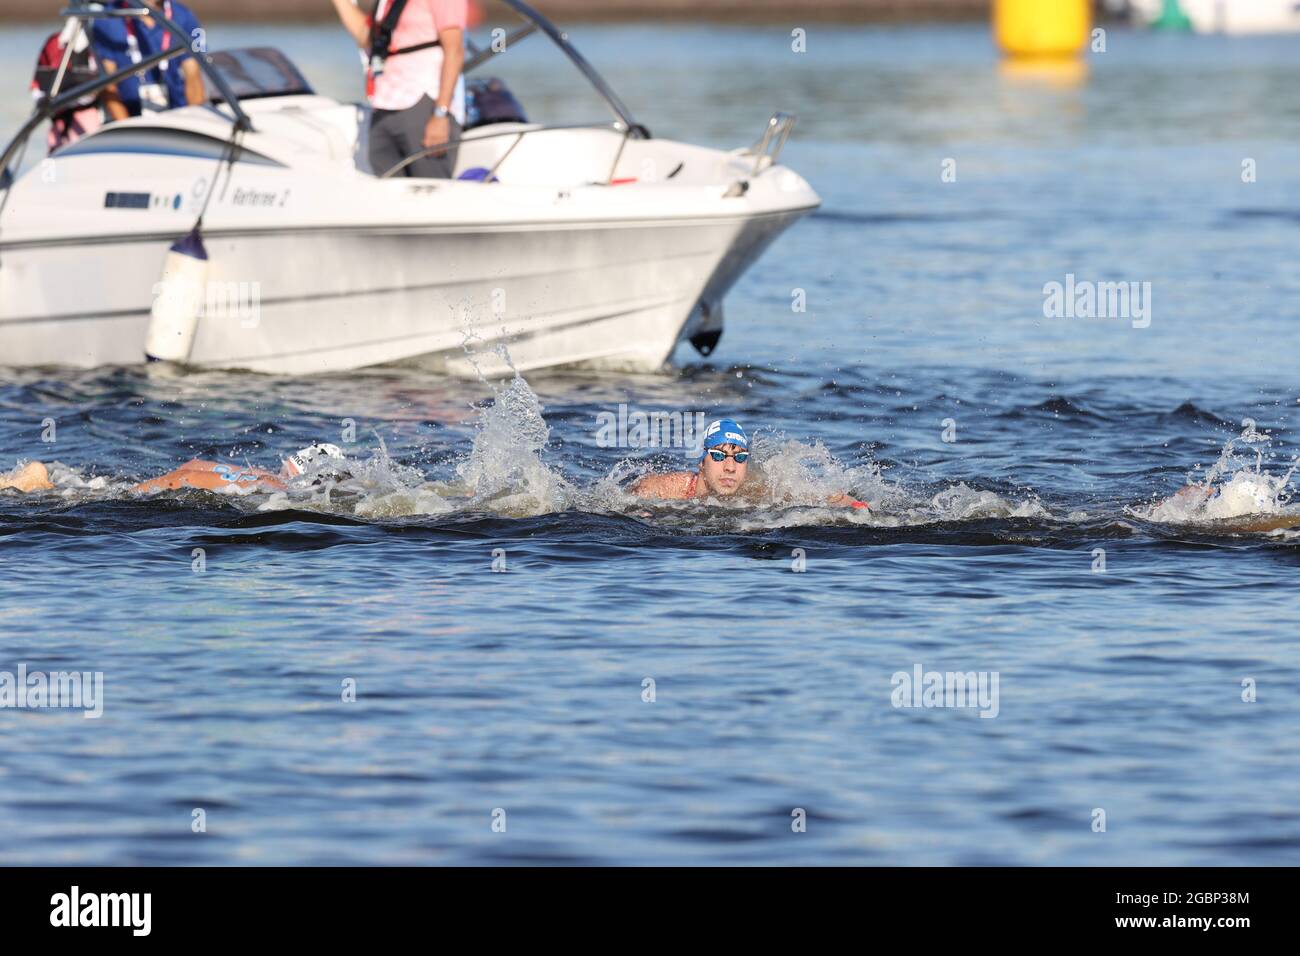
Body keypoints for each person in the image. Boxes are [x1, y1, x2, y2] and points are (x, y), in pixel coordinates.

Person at [330, 0, 467, 178]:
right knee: (386, 193)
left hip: (423, 104)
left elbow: (455, 51)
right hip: (383, 105)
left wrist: (440, 114)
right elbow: (367, 37)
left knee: (430, 191)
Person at [629, 418, 870, 508]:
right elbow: (634, 500)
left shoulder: (755, 491)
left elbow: (816, 495)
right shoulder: (669, 489)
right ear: (702, 462)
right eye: (719, 456)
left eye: (740, 458)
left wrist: (856, 505)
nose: (730, 467)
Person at [1, 444, 345, 496]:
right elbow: (186, 476)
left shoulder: (256, 473)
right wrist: (134, 496)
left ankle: (34, 482)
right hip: (158, 489)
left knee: (90, 491)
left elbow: (193, 464)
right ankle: (36, 483)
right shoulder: (274, 485)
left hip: (163, 482)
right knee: (90, 497)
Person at [91, 0, 206, 121]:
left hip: (177, 116)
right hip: (130, 121)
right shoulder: (109, 18)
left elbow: (194, 77)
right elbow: (108, 86)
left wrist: (193, 122)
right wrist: (130, 130)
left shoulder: (184, 16)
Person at [31, 19, 105, 151]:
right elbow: (37, 85)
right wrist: (44, 101)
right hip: (59, 128)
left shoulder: (99, 44)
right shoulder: (54, 42)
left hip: (91, 127)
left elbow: (97, 89)